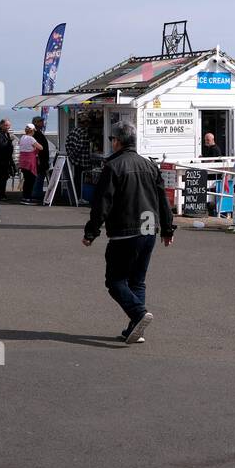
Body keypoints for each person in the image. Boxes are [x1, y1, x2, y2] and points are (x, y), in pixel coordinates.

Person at [83, 122, 176, 344]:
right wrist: (167, 228)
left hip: (125, 231)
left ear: (117, 141)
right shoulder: (150, 166)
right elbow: (163, 200)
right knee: (137, 281)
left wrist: (91, 231)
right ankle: (136, 329)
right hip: (149, 231)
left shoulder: (113, 166)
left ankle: (138, 314)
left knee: (115, 282)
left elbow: (102, 202)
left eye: (111, 140)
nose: (111, 143)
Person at [18, 125, 42, 203]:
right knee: (31, 180)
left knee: (26, 179)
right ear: (32, 131)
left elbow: (20, 144)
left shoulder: (22, 138)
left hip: (22, 161)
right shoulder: (31, 139)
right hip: (30, 161)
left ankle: (25, 196)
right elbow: (41, 147)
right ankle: (27, 197)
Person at [0, 119, 14, 200]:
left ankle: (1, 193)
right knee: (1, 178)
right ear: (1, 125)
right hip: (0, 160)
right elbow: (1, 145)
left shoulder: (4, 133)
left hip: (5, 159)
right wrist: (9, 141)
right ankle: (0, 194)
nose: (8, 127)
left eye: (9, 125)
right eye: (7, 125)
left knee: (3, 177)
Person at [31, 116, 51, 204]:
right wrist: (38, 158)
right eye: (41, 122)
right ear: (36, 123)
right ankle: (36, 194)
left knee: (40, 177)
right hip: (39, 160)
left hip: (41, 159)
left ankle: (37, 193)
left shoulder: (37, 133)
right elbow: (36, 147)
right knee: (38, 177)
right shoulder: (36, 133)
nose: (43, 124)